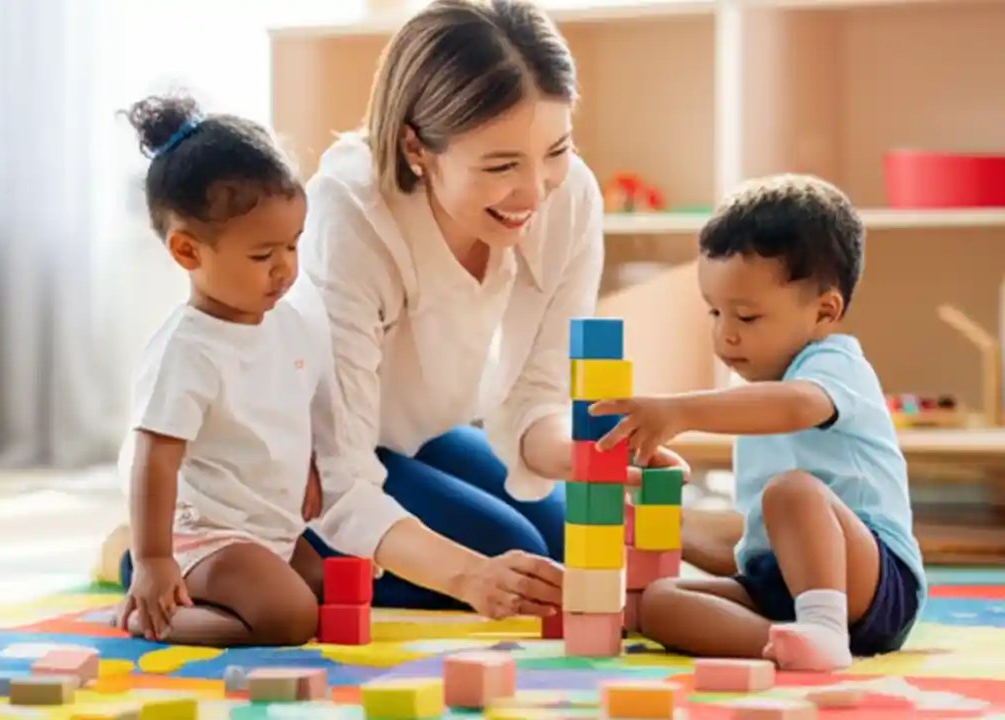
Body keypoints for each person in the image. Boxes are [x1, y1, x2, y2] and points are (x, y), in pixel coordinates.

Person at [113, 90, 565, 647]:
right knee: (291, 618)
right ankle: (152, 605)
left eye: (293, 246)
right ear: (188, 253)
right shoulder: (187, 350)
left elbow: (291, 406)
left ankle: (186, 592)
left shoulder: (289, 322)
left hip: (270, 525)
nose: (285, 270)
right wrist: (157, 554)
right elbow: (154, 459)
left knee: (339, 590)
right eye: (263, 256)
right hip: (205, 533)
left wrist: (305, 467)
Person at [297, 0, 699, 609]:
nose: (535, 191)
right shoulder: (352, 215)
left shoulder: (571, 199)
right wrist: (465, 578)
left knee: (569, 546)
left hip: (414, 435)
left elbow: (533, 401)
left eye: (556, 151)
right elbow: (341, 476)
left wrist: (587, 462)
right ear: (416, 147)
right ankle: (209, 546)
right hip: (306, 459)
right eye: (502, 164)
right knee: (503, 552)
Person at [590, 174, 927, 671]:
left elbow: (797, 407)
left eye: (745, 318)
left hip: (876, 583)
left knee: (790, 492)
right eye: (714, 313)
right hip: (784, 588)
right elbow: (756, 547)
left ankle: (823, 629)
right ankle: (789, 646)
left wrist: (679, 411)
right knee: (658, 602)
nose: (725, 335)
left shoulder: (833, 365)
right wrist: (664, 528)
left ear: (824, 311)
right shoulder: (759, 401)